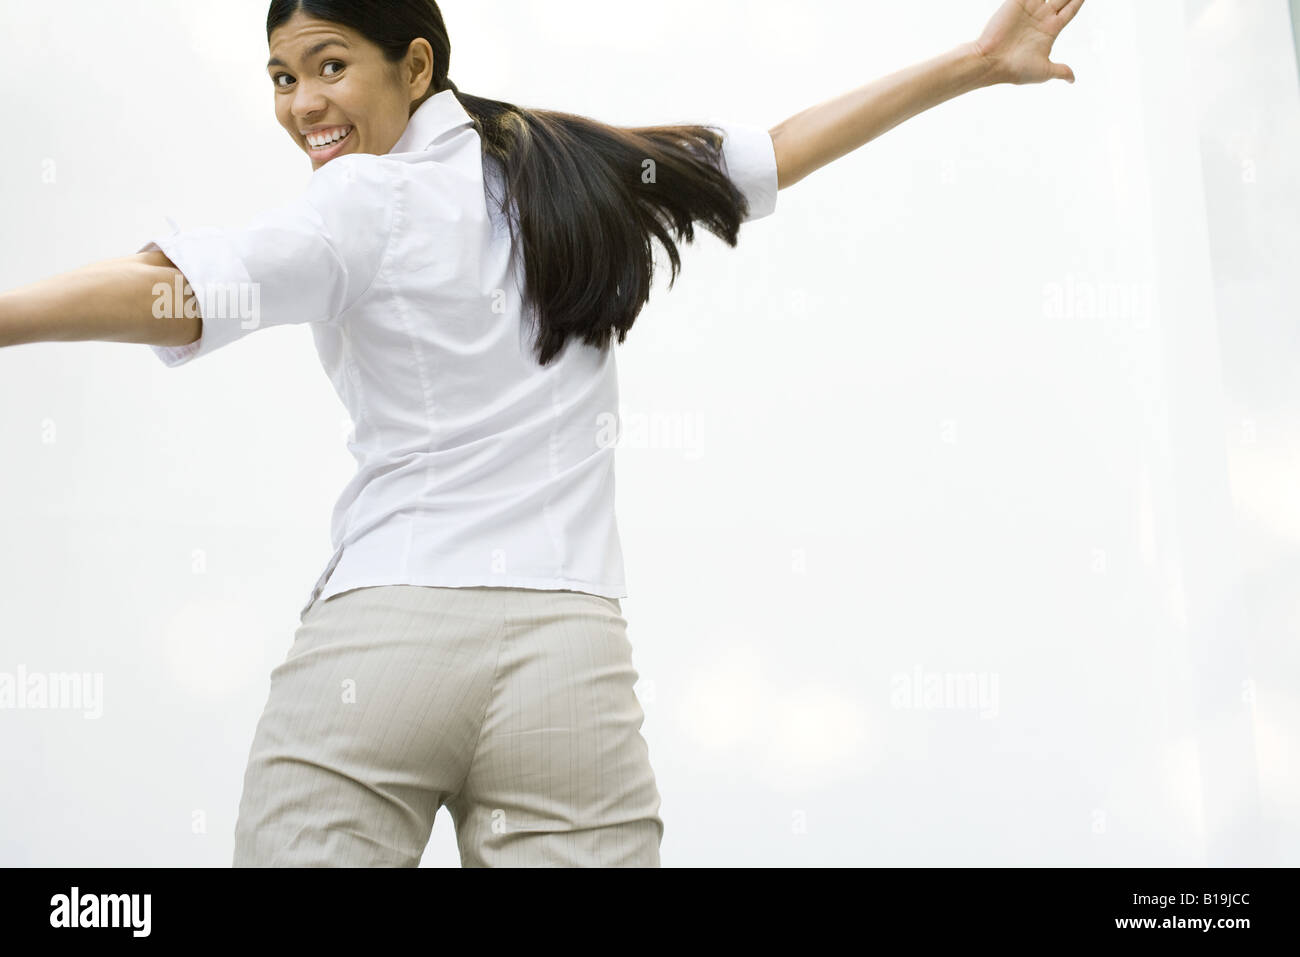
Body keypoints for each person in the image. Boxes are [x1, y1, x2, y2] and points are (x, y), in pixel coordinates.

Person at [0, 0, 1087, 867]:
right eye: (283, 78)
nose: (302, 104)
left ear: (415, 67)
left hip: (387, 643)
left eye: (330, 66)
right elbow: (767, 152)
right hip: (569, 657)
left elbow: (181, 290)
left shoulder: (361, 202)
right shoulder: (578, 168)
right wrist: (973, 64)